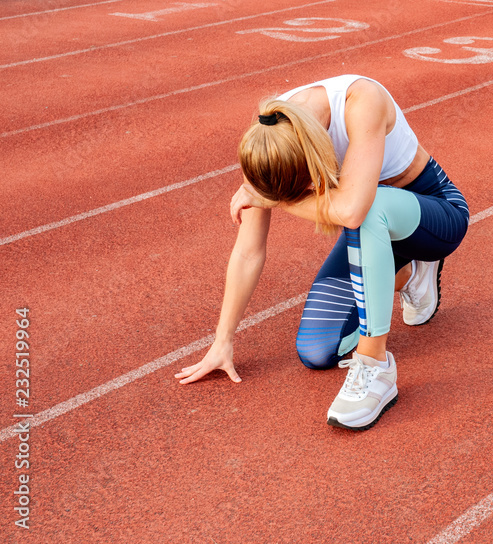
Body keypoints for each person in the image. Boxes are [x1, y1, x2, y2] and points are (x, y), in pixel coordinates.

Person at [174, 74, 470, 431]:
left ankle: (376, 367)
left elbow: (350, 212)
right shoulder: (270, 135)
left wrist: (277, 200)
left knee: (366, 209)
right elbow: (249, 251)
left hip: (435, 215)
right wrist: (223, 340)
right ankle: (411, 275)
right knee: (317, 351)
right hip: (371, 234)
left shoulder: (361, 101)